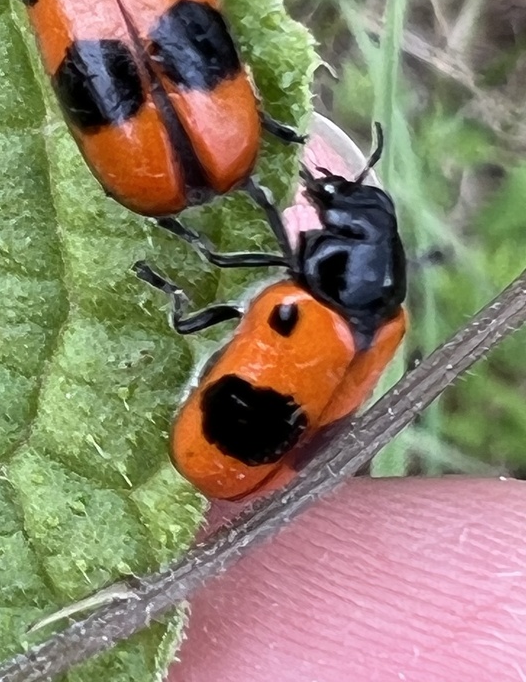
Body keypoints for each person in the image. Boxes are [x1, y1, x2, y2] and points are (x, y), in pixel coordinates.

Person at [170, 127, 526, 681]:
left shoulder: (307, 305)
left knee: (230, 306)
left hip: (214, 455)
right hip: (254, 473)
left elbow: (269, 260)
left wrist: (262, 199)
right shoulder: (384, 320)